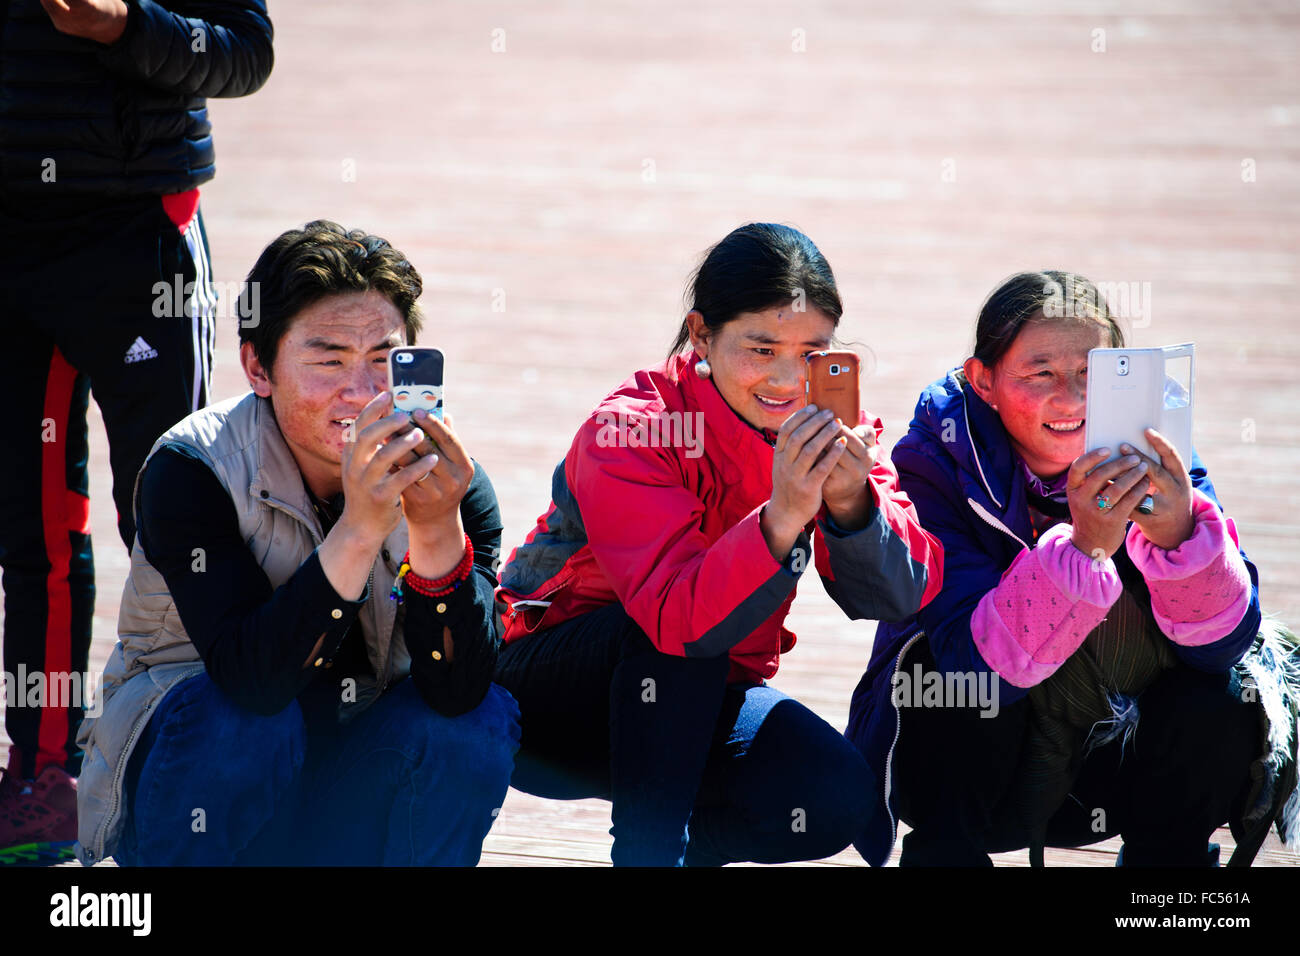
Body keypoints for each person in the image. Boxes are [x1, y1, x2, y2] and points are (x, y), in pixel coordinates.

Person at [495, 222, 944, 866]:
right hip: (545, 702)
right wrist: (782, 518)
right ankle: (650, 857)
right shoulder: (630, 428)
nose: (788, 379)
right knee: (678, 637)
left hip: (696, 698)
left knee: (834, 797)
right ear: (701, 334)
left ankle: (683, 852)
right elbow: (676, 620)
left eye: (812, 353)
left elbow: (900, 594)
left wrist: (852, 504)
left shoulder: (833, 426)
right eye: (761, 350)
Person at [74, 221, 520, 866]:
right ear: (259, 367)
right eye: (329, 360)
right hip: (197, 775)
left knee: (475, 725)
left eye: (383, 361)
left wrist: (432, 530)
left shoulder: (451, 483)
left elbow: (460, 692)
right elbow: (254, 684)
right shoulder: (193, 469)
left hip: (345, 779)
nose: (363, 394)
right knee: (246, 721)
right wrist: (362, 526)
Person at [847, 271, 1297, 867]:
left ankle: (1166, 880)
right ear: (983, 381)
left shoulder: (1157, 450)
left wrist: (1179, 537)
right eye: (1041, 374)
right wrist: (1084, 550)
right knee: (944, 683)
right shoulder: (936, 462)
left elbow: (1223, 646)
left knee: (1221, 692)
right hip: (985, 775)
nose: (1072, 398)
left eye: (1094, 373)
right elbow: (970, 660)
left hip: (1114, 759)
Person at [0, 0, 274, 861]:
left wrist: (124, 26)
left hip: (141, 236)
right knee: (30, 531)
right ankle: (40, 776)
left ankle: (179, 762)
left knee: (170, 521)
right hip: (10, 238)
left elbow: (244, 53)